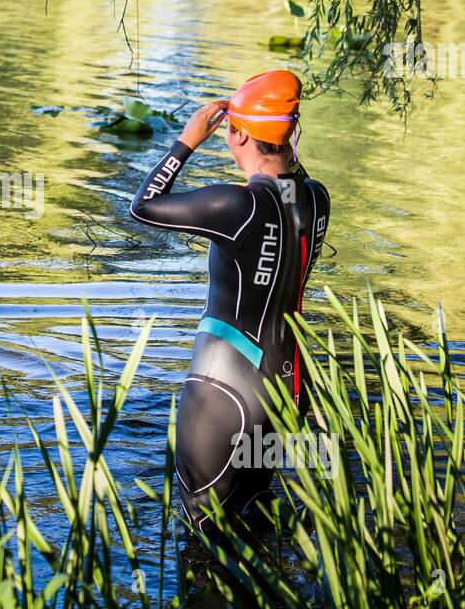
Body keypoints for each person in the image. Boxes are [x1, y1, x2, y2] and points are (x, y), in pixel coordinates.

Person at [129, 69, 331, 526]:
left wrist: (186, 142)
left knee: (202, 537)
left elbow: (144, 205)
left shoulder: (235, 206)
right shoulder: (317, 200)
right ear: (289, 133)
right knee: (255, 519)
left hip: (224, 393)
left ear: (236, 133)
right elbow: (289, 187)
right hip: (286, 390)